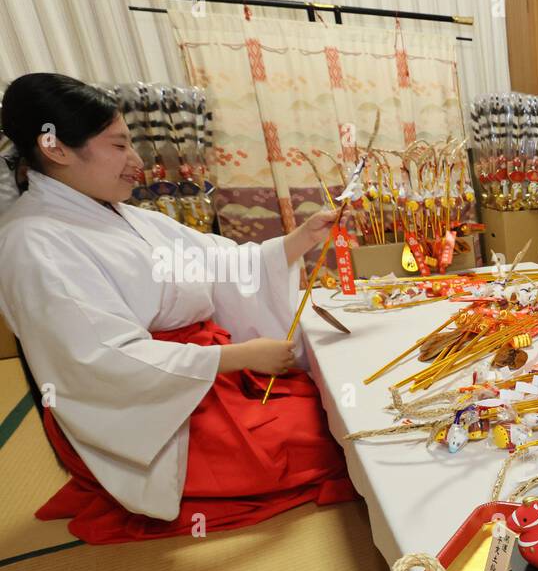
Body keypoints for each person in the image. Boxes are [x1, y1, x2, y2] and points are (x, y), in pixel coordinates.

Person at [0, 73, 355, 543]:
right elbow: (104, 359)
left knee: (328, 410)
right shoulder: (33, 239)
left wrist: (299, 239)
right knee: (322, 442)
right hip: (151, 409)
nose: (136, 162)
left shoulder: (114, 211)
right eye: (119, 146)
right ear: (56, 148)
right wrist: (241, 358)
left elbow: (219, 261)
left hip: (199, 375)